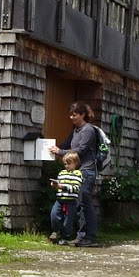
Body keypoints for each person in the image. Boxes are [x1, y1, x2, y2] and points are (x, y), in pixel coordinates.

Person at [48, 102, 102, 246]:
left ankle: (89, 237)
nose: (71, 117)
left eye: (74, 114)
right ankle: (81, 236)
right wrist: (52, 147)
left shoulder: (88, 130)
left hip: (87, 171)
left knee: (85, 204)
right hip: (77, 171)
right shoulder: (76, 130)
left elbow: (81, 150)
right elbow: (66, 145)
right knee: (78, 204)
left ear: (82, 114)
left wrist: (60, 152)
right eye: (70, 115)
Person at [48, 151, 84, 243]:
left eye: (69, 163)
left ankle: (65, 238)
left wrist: (62, 187)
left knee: (68, 220)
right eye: (65, 164)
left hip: (71, 201)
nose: (67, 166)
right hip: (60, 199)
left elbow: (76, 188)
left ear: (75, 163)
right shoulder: (62, 173)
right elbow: (59, 183)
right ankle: (56, 231)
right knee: (54, 214)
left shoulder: (77, 174)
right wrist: (55, 185)